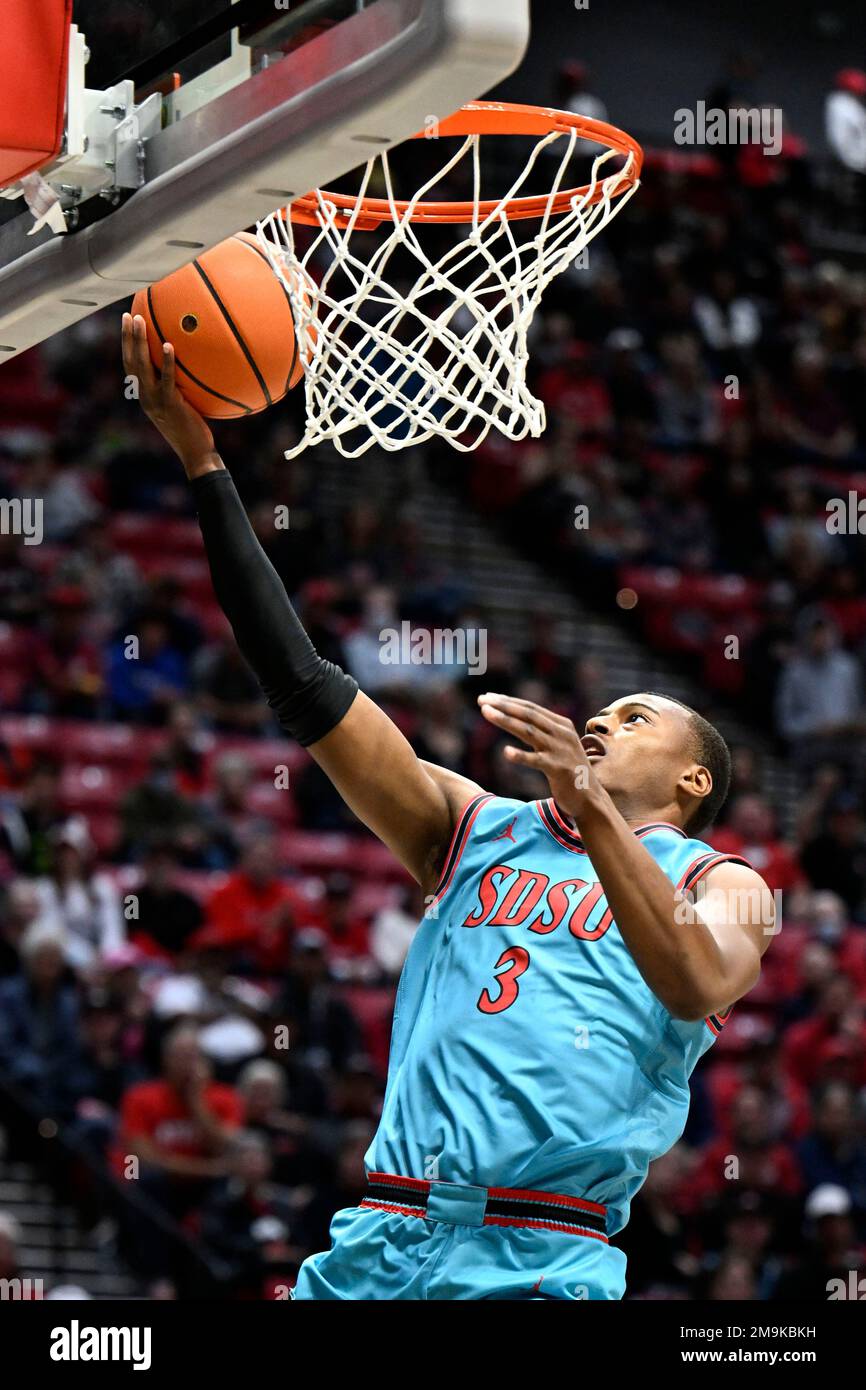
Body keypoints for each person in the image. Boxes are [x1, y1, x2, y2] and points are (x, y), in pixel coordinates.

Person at [122, 312, 775, 1302]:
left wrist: (594, 811)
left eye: (633, 716)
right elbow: (301, 683)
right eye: (595, 712)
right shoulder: (472, 825)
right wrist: (206, 464)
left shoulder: (727, 884)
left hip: (538, 1258)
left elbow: (691, 982)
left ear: (692, 780)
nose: (601, 722)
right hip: (377, 1239)